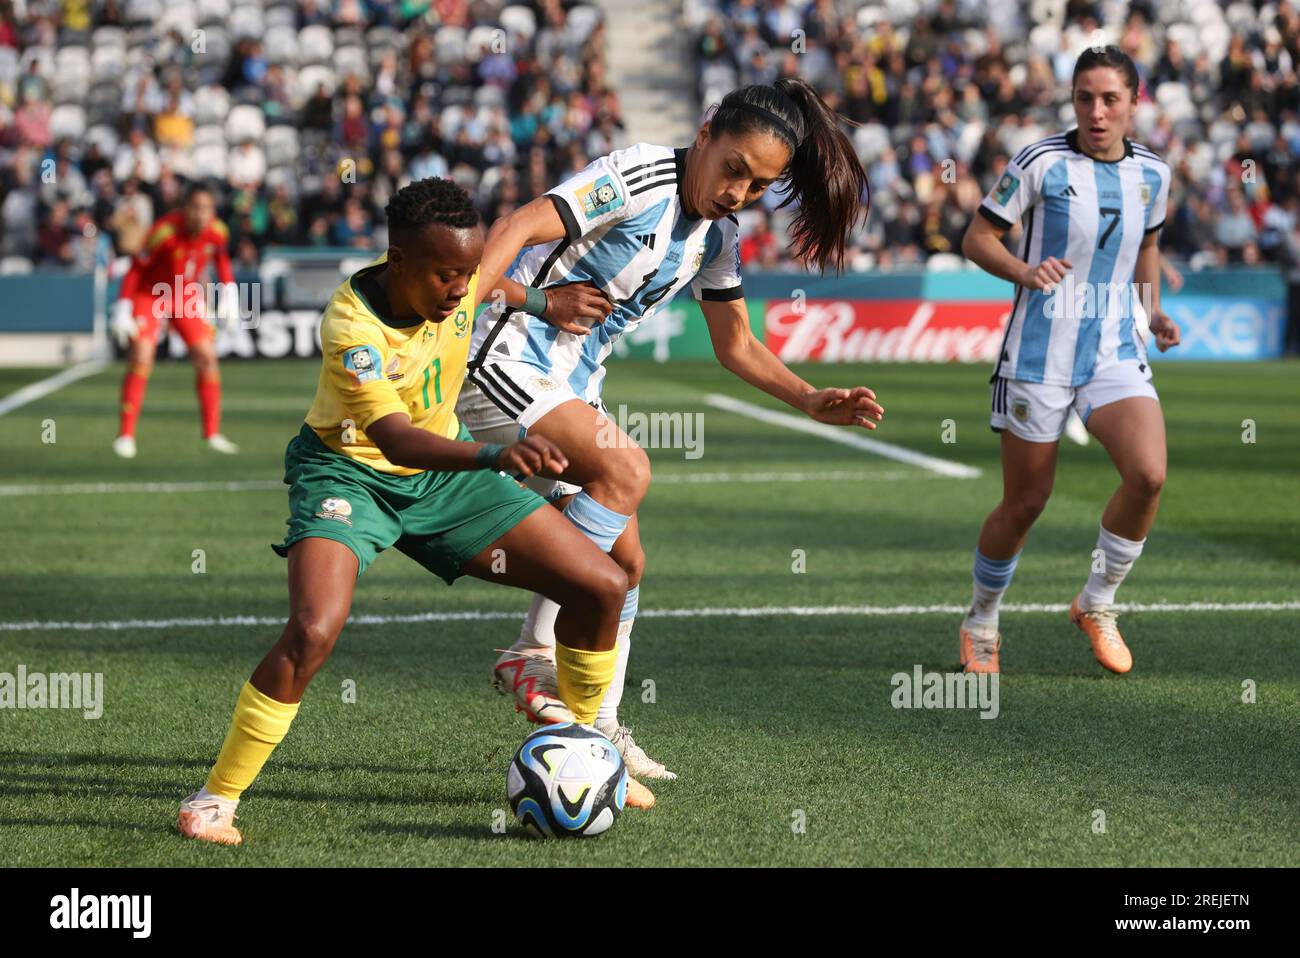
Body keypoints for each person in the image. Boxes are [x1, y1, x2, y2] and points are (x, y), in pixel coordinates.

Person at [176, 178, 649, 846]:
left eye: (466, 272)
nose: (460, 289)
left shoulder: (459, 278)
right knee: (314, 629)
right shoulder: (351, 324)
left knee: (602, 583)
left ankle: (582, 758)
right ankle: (213, 799)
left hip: (444, 477)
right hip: (348, 473)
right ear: (398, 261)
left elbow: (492, 285)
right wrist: (493, 457)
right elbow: (393, 439)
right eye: (446, 275)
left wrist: (547, 301)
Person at [455, 78, 883, 792]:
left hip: (567, 387)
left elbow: (736, 343)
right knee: (625, 472)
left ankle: (599, 732)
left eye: (758, 185)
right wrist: (506, 307)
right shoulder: (638, 172)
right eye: (734, 168)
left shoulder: (717, 238)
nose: (738, 191)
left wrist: (810, 398)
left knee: (624, 570)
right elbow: (520, 226)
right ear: (708, 131)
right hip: (503, 354)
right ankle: (533, 652)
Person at [957, 45, 1180, 675]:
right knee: (1027, 502)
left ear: (1135, 103)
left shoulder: (1154, 174)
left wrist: (1153, 309)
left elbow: (1148, 246)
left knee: (1149, 475)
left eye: (1111, 99)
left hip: (1114, 347)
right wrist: (1026, 271)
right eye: (1085, 98)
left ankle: (1097, 601)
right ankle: (981, 619)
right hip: (1039, 351)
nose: (1096, 111)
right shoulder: (1040, 162)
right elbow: (977, 238)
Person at [109, 184, 240, 458]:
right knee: (142, 355)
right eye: (195, 208)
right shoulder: (164, 232)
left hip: (184, 294)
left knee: (207, 357)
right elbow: (136, 268)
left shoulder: (217, 232)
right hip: (151, 293)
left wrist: (229, 291)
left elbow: (222, 260)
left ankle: (212, 433)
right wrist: (123, 306)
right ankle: (125, 434)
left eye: (206, 209)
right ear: (185, 209)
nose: (201, 214)